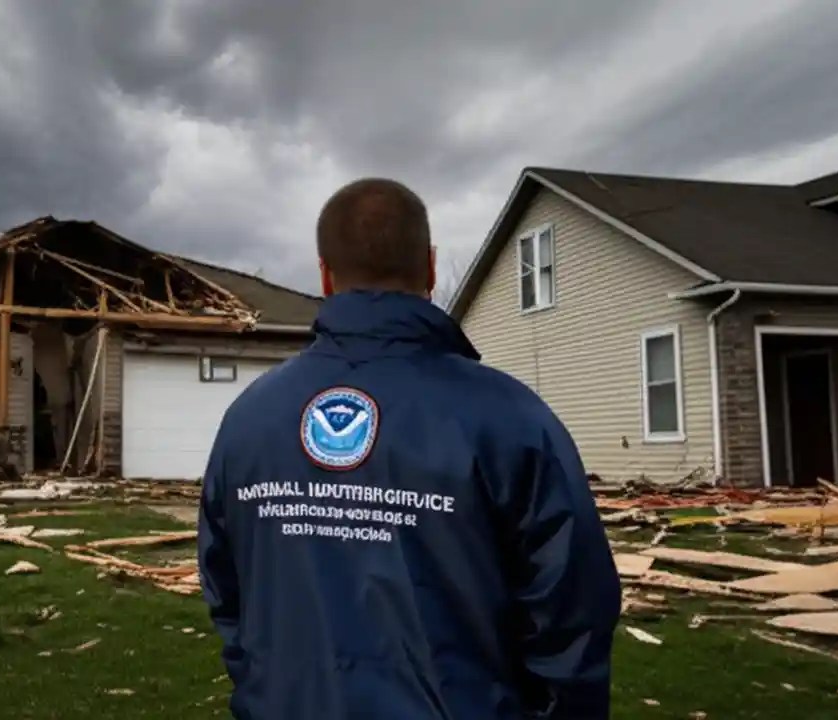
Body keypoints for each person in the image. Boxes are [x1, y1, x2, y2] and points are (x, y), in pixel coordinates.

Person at [197, 178, 621, 719]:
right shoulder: (511, 418)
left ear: (324, 275)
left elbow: (225, 594)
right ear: (430, 267)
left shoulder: (248, 419)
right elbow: (572, 616)